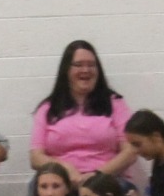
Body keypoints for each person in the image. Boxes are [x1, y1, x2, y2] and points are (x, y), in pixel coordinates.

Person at [30, 41, 136, 186]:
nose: (85, 70)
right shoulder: (47, 108)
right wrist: (65, 169)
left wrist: (97, 175)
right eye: (78, 65)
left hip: (106, 180)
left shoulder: (116, 104)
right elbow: (36, 158)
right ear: (66, 70)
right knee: (39, 188)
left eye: (91, 65)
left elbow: (130, 152)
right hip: (61, 181)